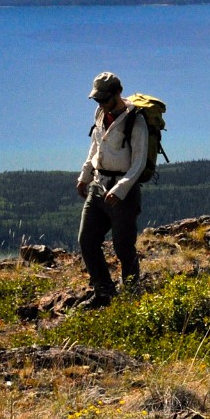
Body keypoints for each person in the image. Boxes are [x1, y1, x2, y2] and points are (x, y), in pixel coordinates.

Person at [75, 71, 147, 306]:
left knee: (123, 246)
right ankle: (104, 292)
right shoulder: (99, 113)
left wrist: (121, 188)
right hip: (97, 185)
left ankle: (131, 293)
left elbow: (139, 161)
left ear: (118, 92)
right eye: (98, 100)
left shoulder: (135, 119)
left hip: (121, 192)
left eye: (105, 99)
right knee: (87, 240)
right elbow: (94, 147)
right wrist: (85, 176)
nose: (102, 104)